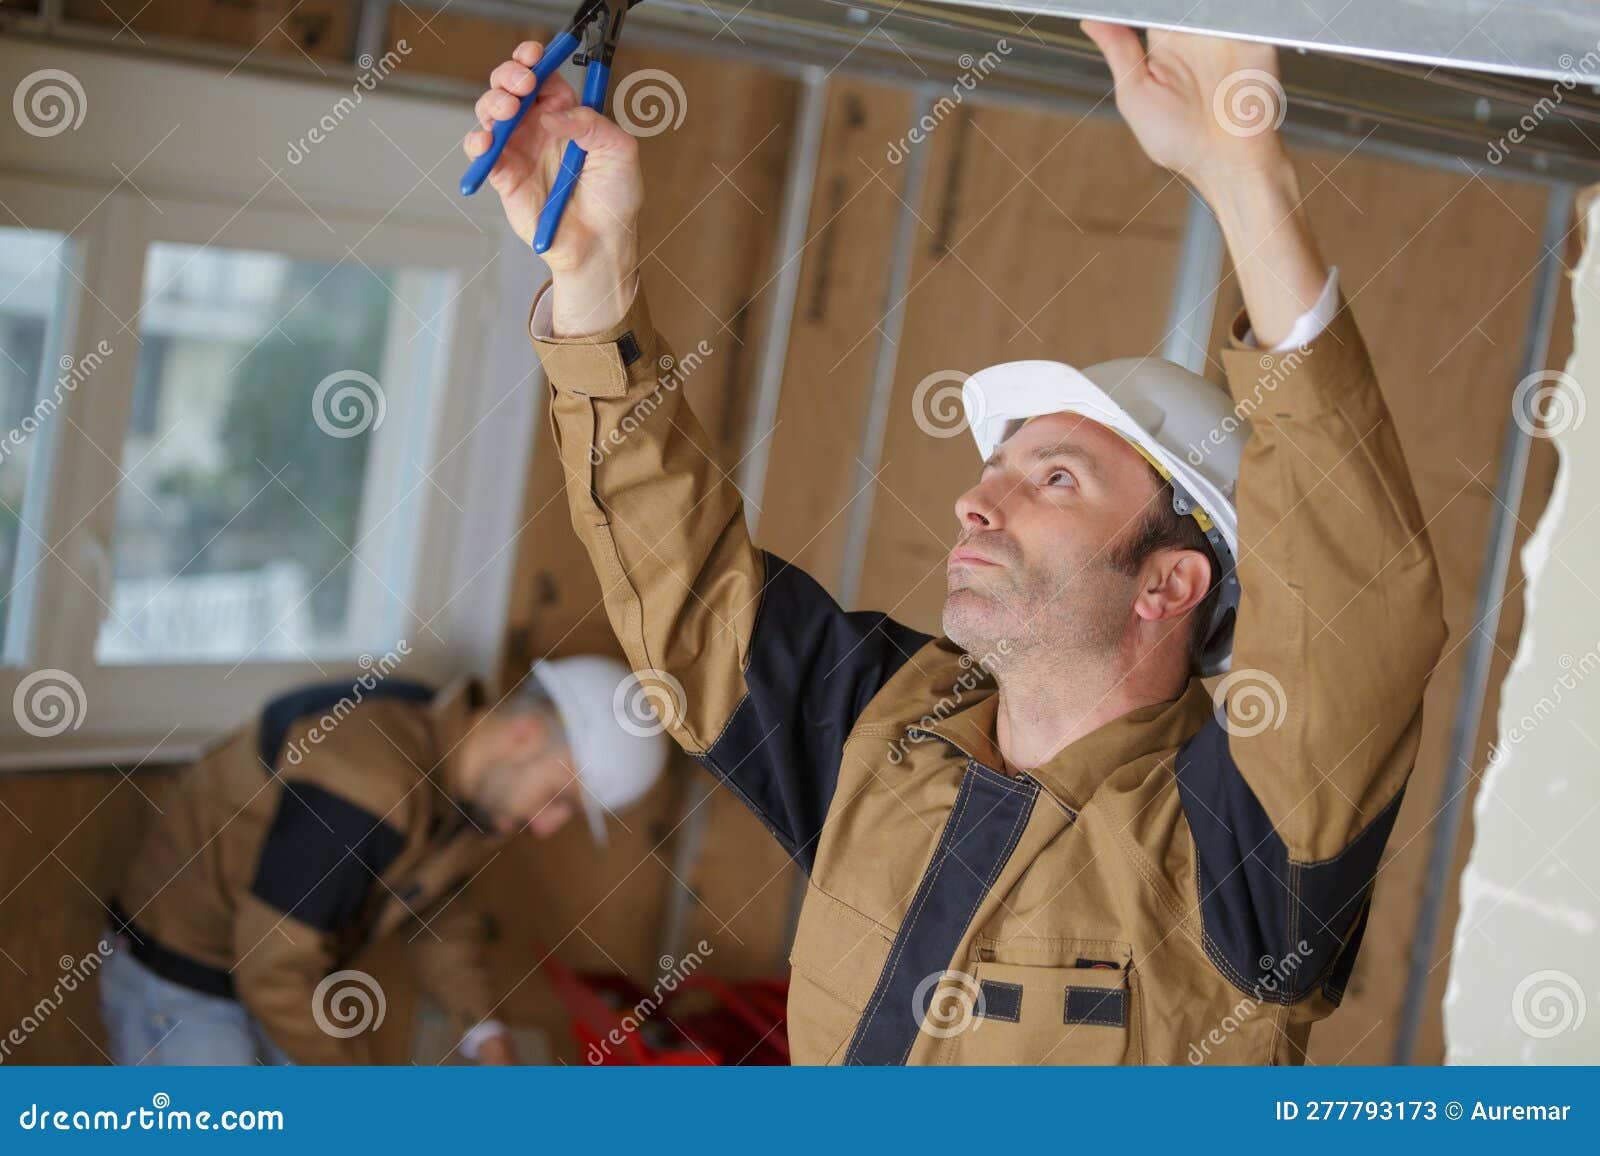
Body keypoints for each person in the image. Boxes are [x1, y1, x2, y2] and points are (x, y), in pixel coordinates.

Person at [466, 23, 1445, 1064]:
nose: (977, 502)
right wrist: (591, 272)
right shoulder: (882, 731)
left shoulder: (1228, 845)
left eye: (1053, 478)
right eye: (997, 468)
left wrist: (1241, 176)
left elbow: (1360, 607)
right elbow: (684, 581)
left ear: (1169, 579)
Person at [99, 656, 667, 1065]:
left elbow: (437, 908)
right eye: (559, 799)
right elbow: (273, 967)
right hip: (180, 977)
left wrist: (485, 1034)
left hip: (266, 973)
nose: (547, 828)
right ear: (522, 736)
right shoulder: (369, 782)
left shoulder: (460, 779)